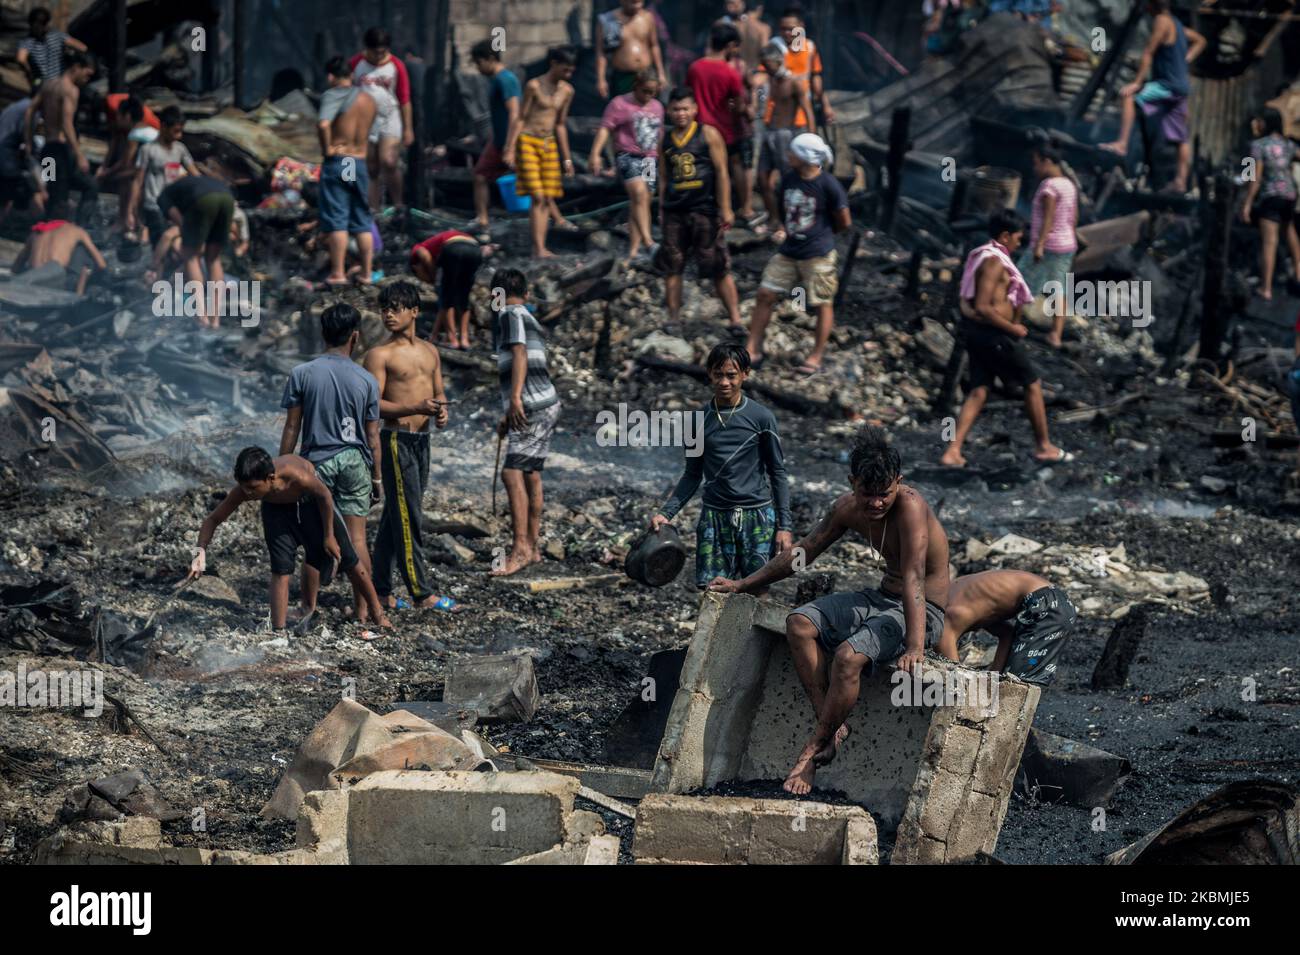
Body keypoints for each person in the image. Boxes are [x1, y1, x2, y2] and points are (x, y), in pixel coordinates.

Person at [709, 426, 950, 795]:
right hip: (881, 598)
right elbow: (803, 552)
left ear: (898, 483)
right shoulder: (845, 508)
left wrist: (916, 647)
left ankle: (811, 751)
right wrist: (744, 583)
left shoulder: (911, 505)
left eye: (884, 495)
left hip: (924, 611)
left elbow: (915, 577)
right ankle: (832, 726)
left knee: (848, 656)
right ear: (852, 482)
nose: (875, 504)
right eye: (866, 494)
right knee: (800, 623)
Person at [188, 447, 390, 631]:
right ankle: (278, 629)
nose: (248, 493)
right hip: (276, 512)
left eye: (253, 487)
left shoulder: (296, 476)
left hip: (311, 504)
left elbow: (324, 496)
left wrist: (329, 535)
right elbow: (213, 519)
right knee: (281, 568)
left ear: (271, 478)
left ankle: (377, 613)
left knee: (347, 557)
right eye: (244, 488)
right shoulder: (246, 490)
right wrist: (199, 555)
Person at [651, 342, 792, 589]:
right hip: (714, 517)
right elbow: (692, 474)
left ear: (745, 374)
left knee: (756, 589)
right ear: (709, 374)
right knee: (712, 591)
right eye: (718, 375)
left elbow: (777, 472)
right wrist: (667, 512)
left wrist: (784, 526)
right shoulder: (696, 421)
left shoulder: (761, 418)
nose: (724, 382)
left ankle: (750, 630)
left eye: (731, 375)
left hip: (756, 516)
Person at [279, 303, 383, 624]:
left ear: (323, 334)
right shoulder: (366, 380)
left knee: (315, 537)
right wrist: (377, 479)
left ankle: (308, 606)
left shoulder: (302, 373)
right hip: (355, 461)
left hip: (317, 463)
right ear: (355, 336)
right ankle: (363, 610)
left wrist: (282, 467)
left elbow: (292, 427)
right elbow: (373, 437)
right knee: (358, 539)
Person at [940, 210, 1069, 468]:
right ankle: (1044, 446)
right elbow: (984, 306)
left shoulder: (983, 256)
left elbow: (970, 302)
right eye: (1018, 238)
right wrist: (1012, 329)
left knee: (979, 390)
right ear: (1005, 236)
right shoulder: (993, 262)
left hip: (981, 335)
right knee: (1032, 383)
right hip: (995, 335)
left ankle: (952, 451)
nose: (1020, 243)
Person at [362, 281, 450, 609]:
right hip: (396, 440)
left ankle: (381, 590)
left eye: (395, 308)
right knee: (409, 515)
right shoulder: (380, 354)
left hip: (421, 440)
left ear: (414, 311)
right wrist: (415, 409)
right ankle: (421, 593)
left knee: (394, 516)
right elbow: (372, 407)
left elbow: (438, 391)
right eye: (384, 308)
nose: (388, 314)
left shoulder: (430, 351)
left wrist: (440, 411)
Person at [746, 132, 849, 375]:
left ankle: (816, 356)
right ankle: (752, 348)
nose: (788, 155)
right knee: (765, 293)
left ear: (805, 156)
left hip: (817, 254)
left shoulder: (828, 185)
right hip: (789, 251)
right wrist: (785, 229)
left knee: (822, 303)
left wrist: (821, 235)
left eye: (792, 152)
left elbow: (844, 220)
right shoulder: (789, 180)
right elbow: (783, 209)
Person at [490, 268, 561, 577]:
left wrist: (516, 399)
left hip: (532, 405)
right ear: (527, 293)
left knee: (511, 471)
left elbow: (519, 353)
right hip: (544, 403)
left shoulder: (509, 314)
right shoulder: (527, 315)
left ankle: (519, 549)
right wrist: (510, 412)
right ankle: (531, 547)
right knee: (530, 472)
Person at [656, 87, 742, 331]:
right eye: (675, 109)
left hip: (704, 208)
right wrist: (661, 207)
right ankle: (673, 317)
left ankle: (735, 318)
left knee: (717, 264)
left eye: (685, 108)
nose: (680, 114)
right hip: (675, 210)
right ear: (668, 111)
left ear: (694, 109)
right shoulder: (665, 139)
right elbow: (662, 176)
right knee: (673, 264)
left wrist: (726, 208)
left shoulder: (708, 134)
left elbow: (722, 172)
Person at [1101, 0, 1205, 195]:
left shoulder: (1161, 21)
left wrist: (1137, 82)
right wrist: (1184, 60)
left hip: (1167, 85)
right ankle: (1181, 181)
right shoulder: (1177, 24)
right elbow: (1201, 40)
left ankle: (1122, 143)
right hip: (1181, 88)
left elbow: (1148, 52)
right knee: (1181, 137)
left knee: (1130, 97)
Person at [938, 570, 1077, 686]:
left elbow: (955, 672)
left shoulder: (948, 617)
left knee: (1019, 684)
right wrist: (992, 682)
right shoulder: (967, 602)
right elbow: (1006, 634)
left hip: (1045, 603)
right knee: (1013, 680)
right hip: (1054, 600)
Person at [589, 67, 663, 264]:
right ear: (636, 86)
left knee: (643, 201)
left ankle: (633, 251)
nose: (648, 96)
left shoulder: (657, 107)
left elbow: (659, 135)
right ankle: (648, 242)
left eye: (652, 92)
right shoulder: (620, 104)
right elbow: (605, 129)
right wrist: (595, 154)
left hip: (649, 158)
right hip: (628, 155)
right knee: (638, 194)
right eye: (645, 91)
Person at [317, 56, 377, 288]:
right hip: (357, 162)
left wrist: (327, 148)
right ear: (351, 75)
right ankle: (367, 273)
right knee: (362, 218)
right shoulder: (368, 99)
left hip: (340, 161)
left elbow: (323, 124)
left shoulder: (333, 95)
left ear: (331, 76)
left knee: (337, 218)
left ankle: (338, 273)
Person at [688, 23, 753, 233]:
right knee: (733, 165)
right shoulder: (730, 72)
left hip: (698, 129)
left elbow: (688, 96)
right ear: (731, 45)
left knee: (702, 169)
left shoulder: (695, 67)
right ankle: (744, 208)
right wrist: (745, 113)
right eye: (736, 47)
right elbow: (740, 104)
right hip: (724, 129)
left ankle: (701, 210)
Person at [513, 47, 577, 259]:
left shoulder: (567, 91)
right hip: (528, 141)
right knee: (538, 196)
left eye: (571, 71)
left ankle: (541, 248)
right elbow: (520, 118)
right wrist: (510, 147)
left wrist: (567, 158)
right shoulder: (533, 85)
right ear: (553, 64)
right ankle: (538, 248)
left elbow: (560, 124)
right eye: (565, 70)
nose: (568, 75)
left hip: (549, 144)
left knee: (547, 196)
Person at [147, 175, 235, 328]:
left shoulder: (164, 197)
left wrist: (154, 266)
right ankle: (215, 320)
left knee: (190, 258)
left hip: (204, 200)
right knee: (213, 259)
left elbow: (177, 223)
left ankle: (202, 317)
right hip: (228, 199)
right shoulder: (191, 184)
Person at [26, 50, 97, 224]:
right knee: (87, 188)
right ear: (77, 68)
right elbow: (66, 124)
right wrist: (79, 155)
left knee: (51, 191)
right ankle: (78, 230)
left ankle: (46, 230)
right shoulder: (70, 90)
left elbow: (29, 111)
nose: (86, 80)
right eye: (87, 74)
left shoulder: (48, 85)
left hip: (47, 152)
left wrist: (28, 140)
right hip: (60, 154)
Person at [350, 28, 414, 218]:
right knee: (371, 167)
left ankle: (398, 204)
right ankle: (374, 209)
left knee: (389, 161)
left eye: (382, 52)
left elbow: (404, 99)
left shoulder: (396, 65)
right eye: (375, 52)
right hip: (365, 121)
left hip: (389, 118)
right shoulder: (356, 64)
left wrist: (408, 128)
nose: (379, 56)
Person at [1020, 141, 1078, 348]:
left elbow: (1048, 218)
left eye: (1036, 164)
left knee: (1020, 279)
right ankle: (1056, 335)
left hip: (1048, 245)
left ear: (1047, 162)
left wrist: (1039, 245)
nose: (1034, 169)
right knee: (1059, 289)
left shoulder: (1049, 186)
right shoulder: (1069, 184)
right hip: (1066, 245)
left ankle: (1011, 321)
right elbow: (1074, 217)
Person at [1241, 107, 1300, 303]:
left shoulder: (1256, 146)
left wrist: (1247, 204)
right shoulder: (1288, 144)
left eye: (1258, 121)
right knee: (1290, 232)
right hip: (1290, 195)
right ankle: (1298, 275)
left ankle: (1265, 288)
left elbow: (1251, 178)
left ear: (1266, 123)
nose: (1254, 124)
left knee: (1270, 242)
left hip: (1271, 196)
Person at [755, 41, 814, 235]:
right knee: (762, 177)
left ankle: (791, 222)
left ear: (778, 60)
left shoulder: (795, 82)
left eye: (767, 63)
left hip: (786, 134)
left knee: (788, 180)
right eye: (762, 63)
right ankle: (774, 220)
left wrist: (812, 139)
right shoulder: (769, 81)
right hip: (768, 132)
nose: (765, 67)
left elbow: (808, 111)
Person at [468, 39, 521, 239]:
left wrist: (510, 146)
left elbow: (515, 114)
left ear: (490, 59)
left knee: (533, 183)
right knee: (480, 175)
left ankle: (555, 218)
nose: (478, 68)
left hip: (509, 142)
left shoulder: (505, 80)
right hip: (498, 140)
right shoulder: (497, 80)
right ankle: (482, 219)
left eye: (478, 63)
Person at [132, 105, 199, 243]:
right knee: (159, 243)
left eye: (180, 131)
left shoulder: (180, 149)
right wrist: (132, 210)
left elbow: (195, 174)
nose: (179, 136)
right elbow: (138, 181)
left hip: (173, 205)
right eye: (175, 131)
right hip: (154, 205)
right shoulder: (148, 150)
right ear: (163, 127)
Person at [410, 230, 483, 350]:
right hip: (475, 250)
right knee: (463, 297)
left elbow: (424, 255)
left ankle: (452, 339)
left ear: (417, 268)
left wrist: (433, 277)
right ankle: (464, 340)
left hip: (453, 248)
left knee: (447, 297)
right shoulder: (437, 244)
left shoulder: (416, 254)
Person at [99, 94, 159, 235]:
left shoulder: (135, 134)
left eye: (119, 116)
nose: (116, 119)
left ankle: (126, 221)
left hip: (149, 173)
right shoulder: (153, 130)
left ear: (127, 116)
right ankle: (132, 221)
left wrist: (106, 173)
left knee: (123, 179)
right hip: (157, 170)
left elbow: (125, 163)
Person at [595, 0, 666, 100]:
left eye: (638, 2)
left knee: (647, 110)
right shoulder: (608, 20)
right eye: (632, 2)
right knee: (622, 108)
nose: (636, 6)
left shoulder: (648, 17)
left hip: (646, 74)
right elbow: (601, 52)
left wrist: (661, 73)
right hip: (622, 75)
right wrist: (601, 79)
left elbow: (654, 45)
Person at [12, 219, 106, 294]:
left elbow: (15, 268)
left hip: (32, 276)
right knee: (83, 255)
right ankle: (78, 297)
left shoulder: (36, 232)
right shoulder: (77, 231)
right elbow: (102, 264)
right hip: (54, 279)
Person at [777, 6, 833, 129]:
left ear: (801, 26)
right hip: (779, 115)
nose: (787, 33)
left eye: (791, 29)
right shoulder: (774, 48)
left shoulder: (810, 47)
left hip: (803, 114)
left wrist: (826, 106)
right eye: (783, 29)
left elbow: (816, 79)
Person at [0, 97, 46, 225]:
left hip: (7, 155)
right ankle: (41, 226)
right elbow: (30, 147)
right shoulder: (32, 112)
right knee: (33, 192)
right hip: (7, 159)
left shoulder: (20, 105)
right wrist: (43, 186)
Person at [16, 7, 87, 89]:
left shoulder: (27, 41)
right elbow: (83, 48)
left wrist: (30, 74)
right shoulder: (58, 36)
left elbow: (21, 59)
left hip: (42, 84)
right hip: (60, 83)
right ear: (46, 24)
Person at [722, 0, 772, 72]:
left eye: (738, 2)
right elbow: (766, 55)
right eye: (731, 3)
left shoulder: (728, 27)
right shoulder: (763, 28)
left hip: (736, 72)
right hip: (753, 74)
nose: (735, 5)